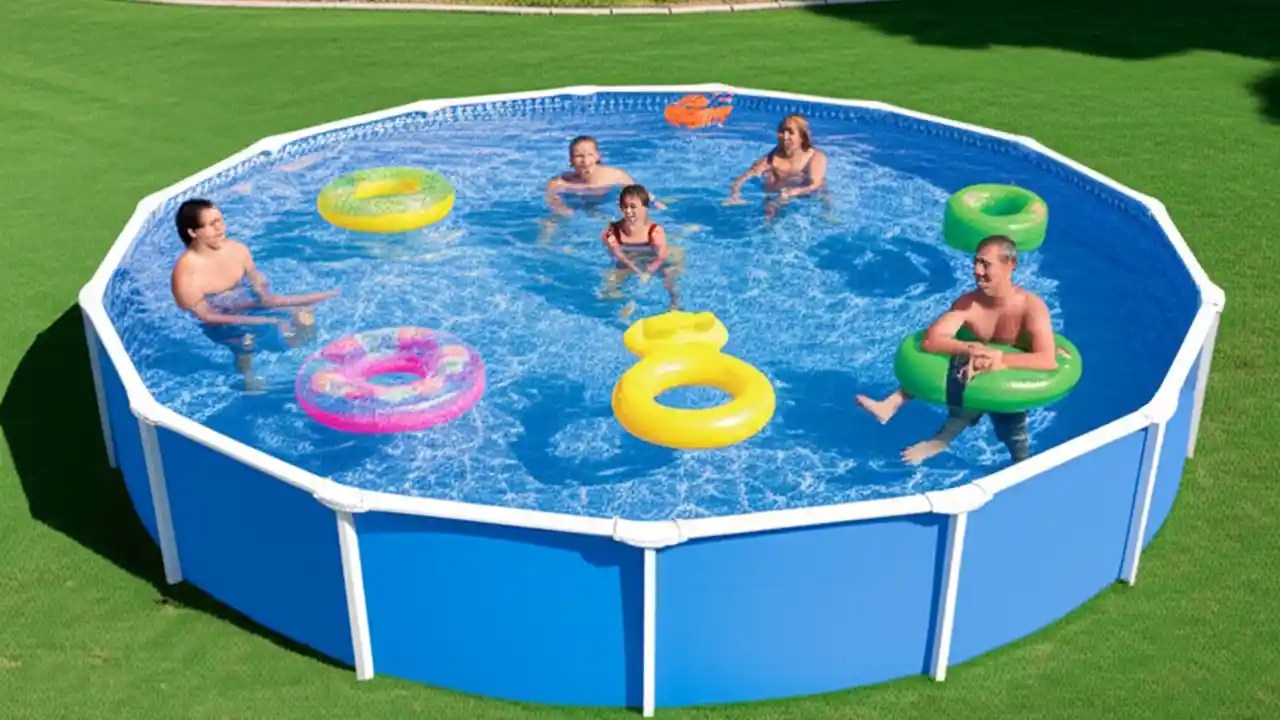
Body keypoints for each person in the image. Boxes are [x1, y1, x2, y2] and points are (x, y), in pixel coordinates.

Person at [855, 235, 1068, 465]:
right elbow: (931, 341)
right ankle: (932, 435)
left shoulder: (1031, 307)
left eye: (985, 264)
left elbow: (1047, 360)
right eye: (976, 262)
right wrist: (970, 348)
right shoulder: (969, 304)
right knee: (960, 392)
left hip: (1011, 379)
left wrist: (1000, 360)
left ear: (1010, 264)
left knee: (1014, 436)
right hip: (975, 374)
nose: (977, 271)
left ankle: (1021, 466)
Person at [170, 198, 338, 391]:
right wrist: (267, 320)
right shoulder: (186, 272)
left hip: (244, 306)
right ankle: (249, 380)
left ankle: (310, 359)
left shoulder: (237, 250)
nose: (220, 228)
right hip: (218, 323)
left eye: (220, 221)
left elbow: (258, 285)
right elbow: (206, 316)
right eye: (211, 224)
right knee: (246, 339)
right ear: (193, 232)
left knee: (304, 314)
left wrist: (270, 294)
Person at [599, 184, 683, 318]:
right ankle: (628, 302)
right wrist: (639, 272)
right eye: (624, 206)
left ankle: (674, 306)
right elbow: (619, 255)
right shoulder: (612, 231)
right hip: (630, 260)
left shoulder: (655, 231)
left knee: (670, 281)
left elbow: (661, 256)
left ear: (644, 207)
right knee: (606, 291)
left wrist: (648, 272)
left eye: (633, 207)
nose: (628, 211)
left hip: (658, 259)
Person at [725, 114, 828, 216]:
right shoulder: (770, 159)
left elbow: (815, 184)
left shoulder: (815, 157)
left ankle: (828, 214)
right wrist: (734, 195)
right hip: (779, 196)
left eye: (790, 132)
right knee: (770, 203)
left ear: (802, 137)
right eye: (782, 131)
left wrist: (794, 192)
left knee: (825, 196)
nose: (785, 137)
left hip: (808, 197)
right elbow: (741, 179)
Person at [544, 135, 666, 218]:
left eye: (590, 155)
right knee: (548, 222)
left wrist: (655, 204)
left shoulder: (612, 175)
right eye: (579, 156)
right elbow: (551, 197)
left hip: (607, 202)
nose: (585, 161)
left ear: (598, 156)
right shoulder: (561, 181)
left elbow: (638, 191)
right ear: (571, 160)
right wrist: (559, 207)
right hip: (579, 204)